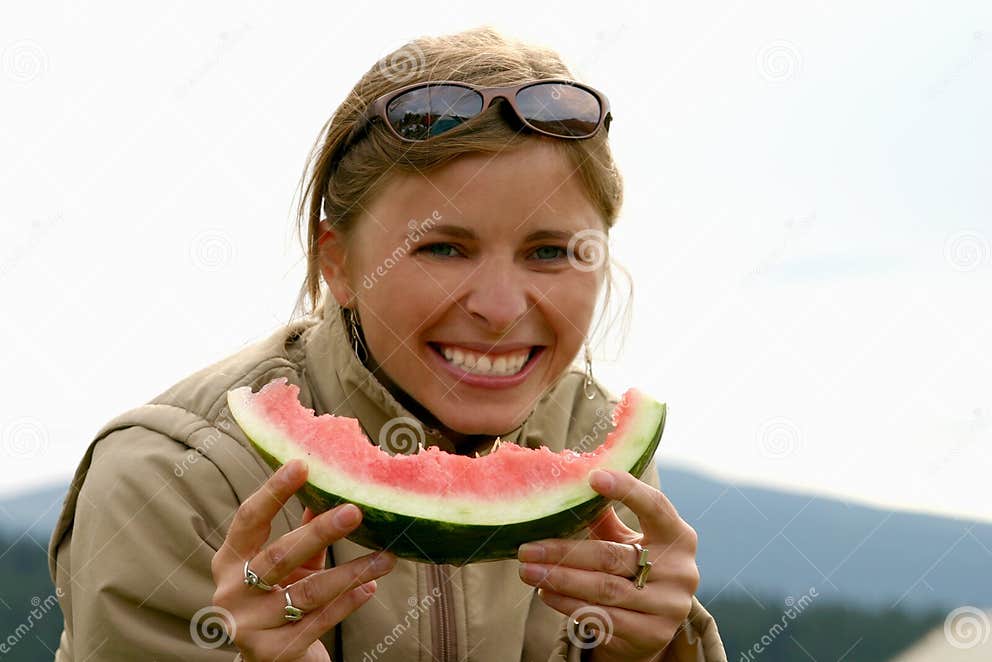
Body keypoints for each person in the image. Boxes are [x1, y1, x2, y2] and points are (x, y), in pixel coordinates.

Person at [47, 25, 728, 662]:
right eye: (443, 248)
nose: (498, 309)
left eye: (549, 251)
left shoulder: (596, 452)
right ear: (337, 264)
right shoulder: (169, 485)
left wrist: (650, 650)